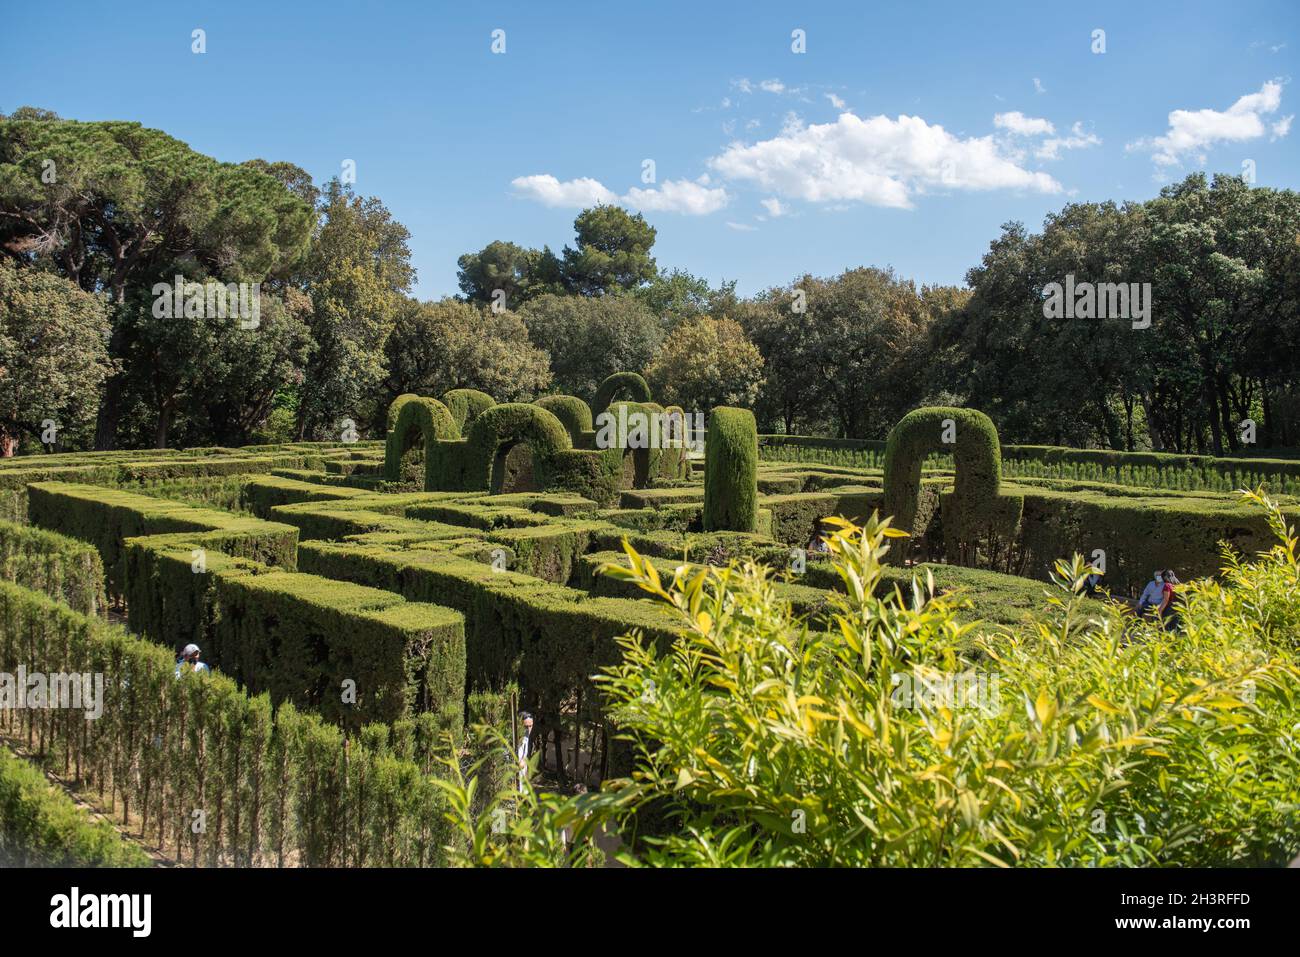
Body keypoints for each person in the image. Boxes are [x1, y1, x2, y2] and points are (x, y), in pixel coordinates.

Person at [516, 711, 534, 792]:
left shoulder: (526, 737)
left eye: (531, 726)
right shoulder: (513, 739)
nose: (529, 729)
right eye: (526, 726)